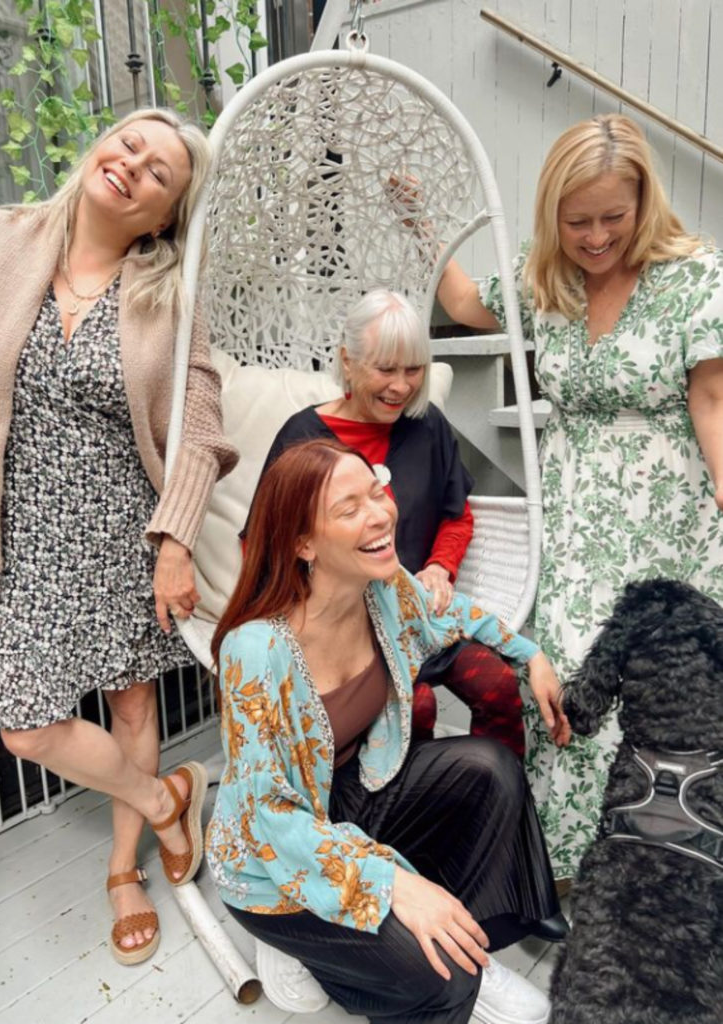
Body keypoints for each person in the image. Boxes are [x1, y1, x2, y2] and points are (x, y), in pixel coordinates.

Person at [0, 109, 238, 965]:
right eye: (128, 143)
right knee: (26, 724)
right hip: (13, 537)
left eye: (158, 169)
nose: (132, 164)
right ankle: (168, 802)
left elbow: (200, 425)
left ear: (165, 213)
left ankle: (123, 870)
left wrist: (172, 542)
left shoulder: (169, 295)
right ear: (100, 147)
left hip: (119, 528)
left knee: (132, 701)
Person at [432, 113, 723, 882]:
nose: (594, 237)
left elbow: (713, 399)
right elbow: (464, 304)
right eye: (576, 220)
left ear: (644, 203)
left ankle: (655, 862)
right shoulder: (545, 276)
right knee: (557, 677)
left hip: (668, 518)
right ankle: (568, 860)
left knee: (656, 693)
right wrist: (420, 222)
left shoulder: (693, 277)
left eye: (612, 218)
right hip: (570, 514)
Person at [207, 438, 571, 1024]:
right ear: (303, 543)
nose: (379, 514)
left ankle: (465, 941)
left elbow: (446, 615)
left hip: (348, 797)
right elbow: (272, 818)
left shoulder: (381, 587)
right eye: (348, 509)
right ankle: (315, 945)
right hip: (271, 861)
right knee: (436, 980)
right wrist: (393, 885)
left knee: (489, 770)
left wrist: (530, 655)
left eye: (376, 493)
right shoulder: (258, 650)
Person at [251, 289, 555, 760]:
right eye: (385, 369)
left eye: (413, 370)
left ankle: (495, 806)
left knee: (497, 685)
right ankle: (417, 813)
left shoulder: (428, 425)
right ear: (347, 362)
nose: (401, 386)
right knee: (419, 705)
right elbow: (262, 546)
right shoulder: (301, 438)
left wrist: (440, 567)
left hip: (419, 617)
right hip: (339, 631)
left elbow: (457, 514)